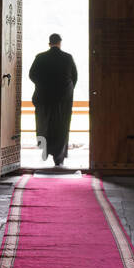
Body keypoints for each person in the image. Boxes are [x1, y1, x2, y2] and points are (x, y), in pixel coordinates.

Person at [28, 34, 78, 168]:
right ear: (60, 43)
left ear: (49, 43)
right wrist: (66, 91)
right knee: (62, 126)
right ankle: (59, 157)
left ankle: (45, 150)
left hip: (44, 97)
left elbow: (32, 75)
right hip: (63, 99)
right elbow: (74, 77)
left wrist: (43, 86)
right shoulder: (67, 58)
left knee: (44, 123)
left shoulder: (40, 57)